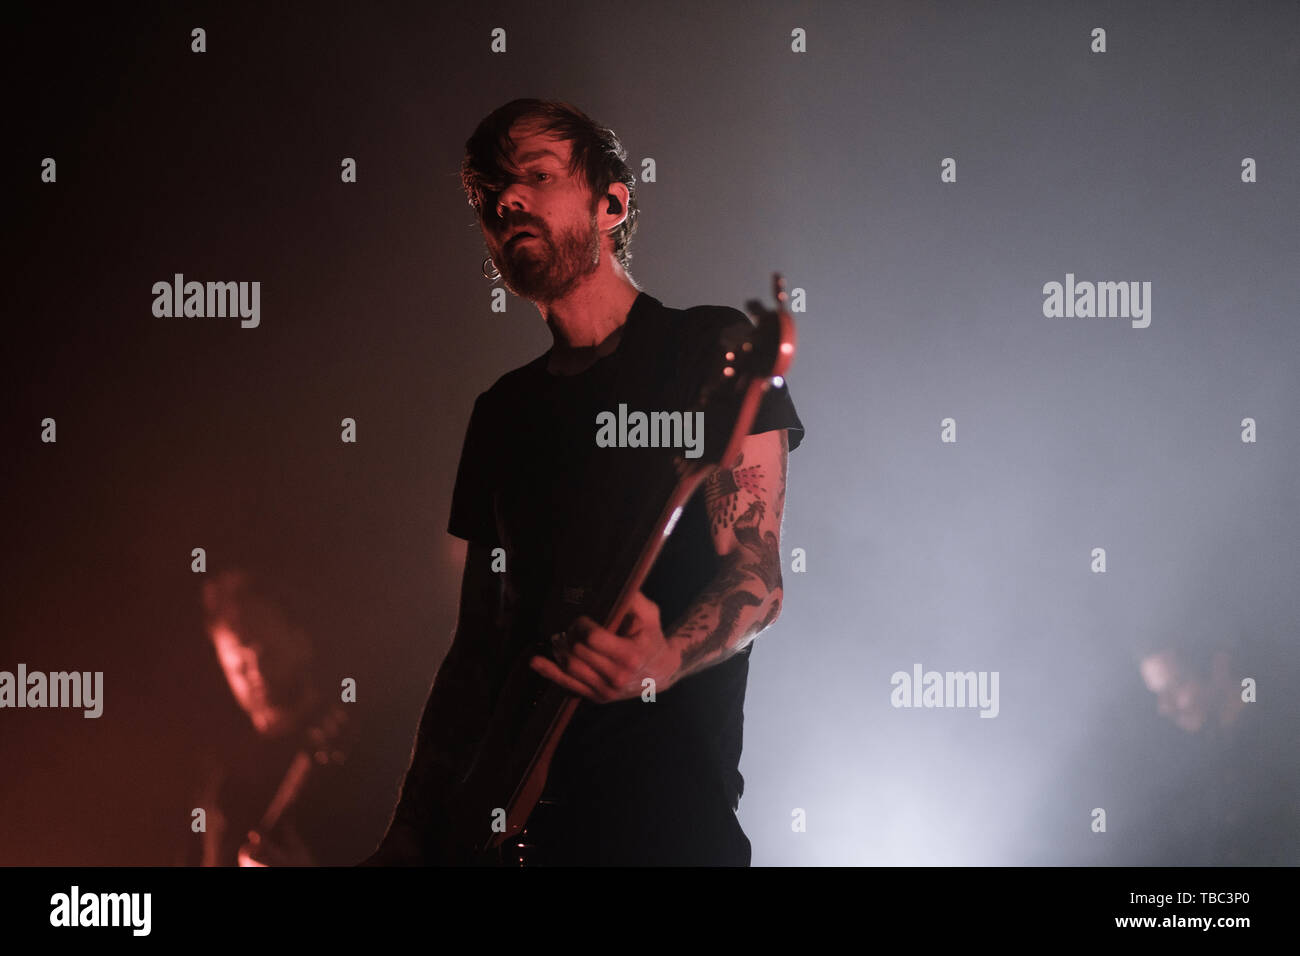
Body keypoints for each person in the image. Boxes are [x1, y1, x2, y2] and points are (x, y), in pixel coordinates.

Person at [365, 99, 805, 866]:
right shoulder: (503, 412)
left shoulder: (708, 351)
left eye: (537, 175)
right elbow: (475, 648)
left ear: (612, 203)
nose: (507, 200)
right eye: (489, 194)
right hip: (506, 836)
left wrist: (664, 657)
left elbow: (758, 575)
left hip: (666, 829)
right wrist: (409, 829)